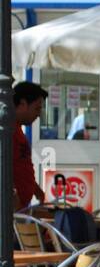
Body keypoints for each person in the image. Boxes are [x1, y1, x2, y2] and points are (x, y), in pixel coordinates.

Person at [13, 81, 47, 211]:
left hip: (20, 208)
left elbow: (20, 165)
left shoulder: (18, 130)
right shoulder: (7, 131)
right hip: (12, 210)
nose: (38, 114)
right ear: (22, 103)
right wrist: (12, 200)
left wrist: (36, 189)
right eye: (37, 108)